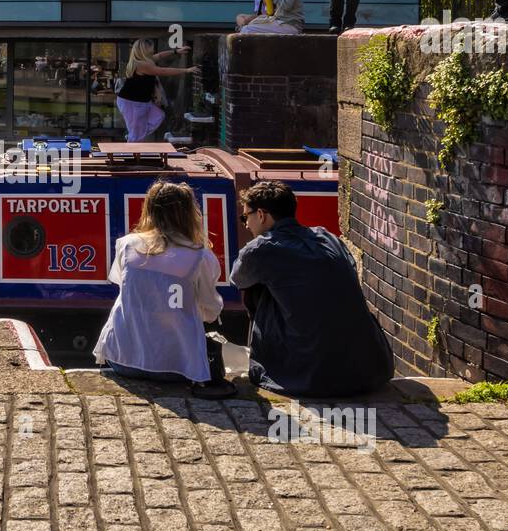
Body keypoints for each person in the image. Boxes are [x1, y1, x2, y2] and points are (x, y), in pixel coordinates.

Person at [230, 181, 393, 396]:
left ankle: (272, 362)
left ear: (261, 215)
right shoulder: (328, 238)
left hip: (311, 377)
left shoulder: (261, 248)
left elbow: (238, 279)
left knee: (255, 288)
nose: (246, 225)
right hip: (370, 369)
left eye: (245, 218)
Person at [94, 180, 234, 399]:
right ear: (190, 214)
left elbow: (124, 286)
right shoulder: (201, 256)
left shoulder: (126, 245)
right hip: (178, 367)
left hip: (122, 359)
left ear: (148, 210)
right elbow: (210, 310)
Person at [115, 38, 198, 143]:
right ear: (144, 49)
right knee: (136, 135)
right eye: (151, 48)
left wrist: (176, 51)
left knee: (158, 116)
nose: (153, 50)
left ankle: (135, 134)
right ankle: (130, 151)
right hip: (132, 103)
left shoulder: (146, 60)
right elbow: (162, 71)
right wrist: (186, 70)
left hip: (142, 101)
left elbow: (160, 56)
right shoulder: (142, 65)